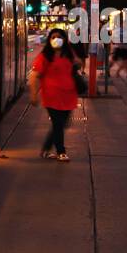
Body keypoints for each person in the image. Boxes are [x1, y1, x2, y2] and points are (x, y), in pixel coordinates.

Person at [30, 27, 80, 161]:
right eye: (53, 37)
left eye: (59, 37)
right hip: (51, 96)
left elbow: (78, 64)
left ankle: (46, 149)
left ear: (64, 39)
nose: (56, 40)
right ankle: (61, 151)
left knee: (62, 124)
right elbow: (34, 76)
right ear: (49, 40)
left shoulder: (69, 54)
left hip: (69, 96)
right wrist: (33, 94)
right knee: (58, 124)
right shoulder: (44, 56)